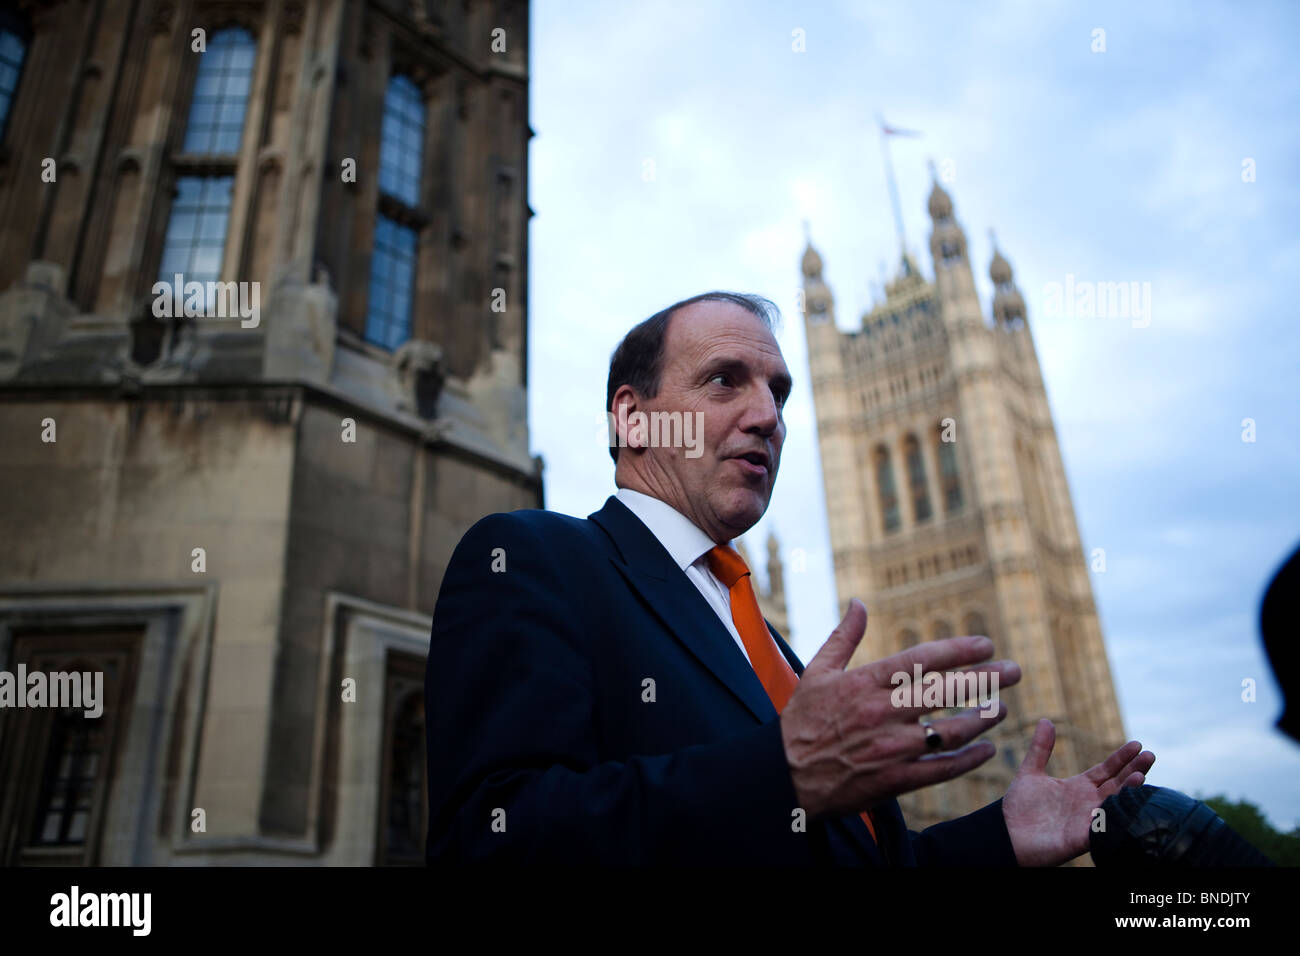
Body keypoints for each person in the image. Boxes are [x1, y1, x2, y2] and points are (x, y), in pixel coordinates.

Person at [424, 291, 1155, 865]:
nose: (767, 415)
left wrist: (1004, 838)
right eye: (723, 382)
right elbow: (493, 842)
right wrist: (781, 770)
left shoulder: (772, 650)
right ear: (632, 417)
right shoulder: (534, 559)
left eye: (780, 393)